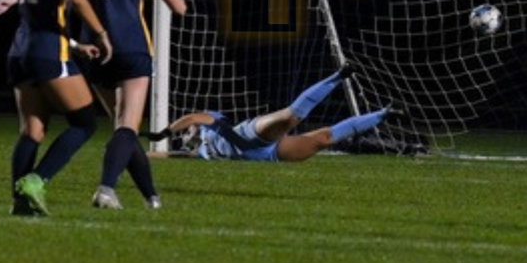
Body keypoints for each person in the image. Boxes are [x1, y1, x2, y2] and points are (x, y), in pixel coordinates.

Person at [0, 0, 104, 216]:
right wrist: (101, 34)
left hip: (19, 53)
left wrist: (75, 45)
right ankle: (36, 180)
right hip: (48, 52)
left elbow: (39, 11)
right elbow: (77, 0)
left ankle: (20, 203)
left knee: (32, 131)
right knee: (84, 123)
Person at [69, 0, 187, 209]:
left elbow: (71, 2)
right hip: (132, 48)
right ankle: (106, 189)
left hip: (95, 51)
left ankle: (152, 197)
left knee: (122, 127)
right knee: (127, 128)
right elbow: (178, 6)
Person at [153, 66, 392, 163]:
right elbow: (160, 156)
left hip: (249, 135)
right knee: (324, 139)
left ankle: (338, 76)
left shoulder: (208, 124)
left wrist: (164, 133)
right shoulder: (197, 154)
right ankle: (384, 114)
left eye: (185, 132)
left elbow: (192, 118)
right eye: (183, 136)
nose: (186, 134)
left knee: (289, 117)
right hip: (265, 155)